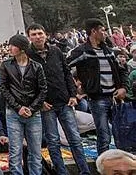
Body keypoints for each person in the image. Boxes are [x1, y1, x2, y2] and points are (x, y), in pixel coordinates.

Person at [26, 23, 90, 175]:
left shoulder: (56, 51)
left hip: (65, 102)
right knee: (53, 142)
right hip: (46, 106)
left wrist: (73, 95)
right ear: (29, 37)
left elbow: (67, 74)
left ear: (45, 35)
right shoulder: (28, 55)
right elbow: (27, 83)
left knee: (75, 139)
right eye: (33, 34)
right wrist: (39, 102)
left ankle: (84, 171)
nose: (37, 37)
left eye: (40, 33)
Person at [68, 18, 127, 155]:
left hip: (115, 97)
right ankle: (104, 162)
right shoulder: (82, 51)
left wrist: (123, 87)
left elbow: (122, 70)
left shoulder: (109, 51)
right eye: (102, 30)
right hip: (97, 98)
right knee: (104, 134)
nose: (105, 33)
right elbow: (65, 68)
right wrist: (76, 85)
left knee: (121, 131)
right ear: (93, 31)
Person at [0, 34, 47, 175]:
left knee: (35, 153)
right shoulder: (6, 65)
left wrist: (31, 108)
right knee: (15, 152)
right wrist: (18, 107)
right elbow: (4, 89)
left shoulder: (37, 66)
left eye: (13, 45)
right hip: (14, 113)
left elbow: (43, 90)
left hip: (34, 113)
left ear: (21, 48)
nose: (10, 48)